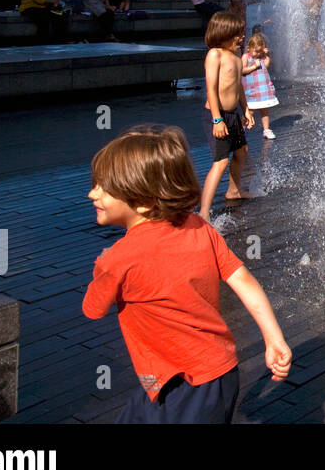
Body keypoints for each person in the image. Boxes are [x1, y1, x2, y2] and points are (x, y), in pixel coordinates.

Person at [82, 125, 290, 422]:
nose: (92, 193)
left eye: (104, 187)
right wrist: (274, 339)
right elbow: (243, 280)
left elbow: (92, 309)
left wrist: (101, 268)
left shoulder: (117, 259)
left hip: (189, 384)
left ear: (142, 200)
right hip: (194, 377)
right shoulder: (200, 229)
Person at [200, 12, 254, 219]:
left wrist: (246, 109)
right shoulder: (215, 54)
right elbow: (211, 89)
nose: (241, 37)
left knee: (242, 152)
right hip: (217, 115)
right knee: (220, 162)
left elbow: (238, 85)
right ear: (223, 33)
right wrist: (217, 119)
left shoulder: (237, 54)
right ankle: (204, 211)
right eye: (237, 34)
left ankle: (233, 190)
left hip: (232, 114)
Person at [241, 32, 279, 140]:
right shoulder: (246, 57)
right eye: (256, 51)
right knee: (250, 111)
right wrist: (253, 67)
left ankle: (266, 129)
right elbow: (242, 70)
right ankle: (240, 128)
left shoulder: (261, 58)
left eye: (260, 51)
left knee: (264, 110)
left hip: (262, 90)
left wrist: (266, 55)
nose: (258, 54)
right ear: (249, 48)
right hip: (252, 91)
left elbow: (266, 66)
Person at [299, 0, 325, 70]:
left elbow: (308, 4)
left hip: (313, 18)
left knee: (315, 41)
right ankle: (307, 43)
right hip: (313, 17)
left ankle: (324, 62)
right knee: (312, 39)